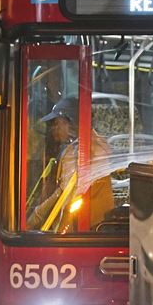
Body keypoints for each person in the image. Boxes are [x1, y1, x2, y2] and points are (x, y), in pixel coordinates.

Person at [27, 96, 113, 231]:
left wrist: (58, 234)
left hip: (90, 229)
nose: (54, 129)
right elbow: (61, 192)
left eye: (57, 123)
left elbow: (70, 199)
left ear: (72, 123)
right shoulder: (75, 148)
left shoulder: (90, 151)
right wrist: (33, 219)